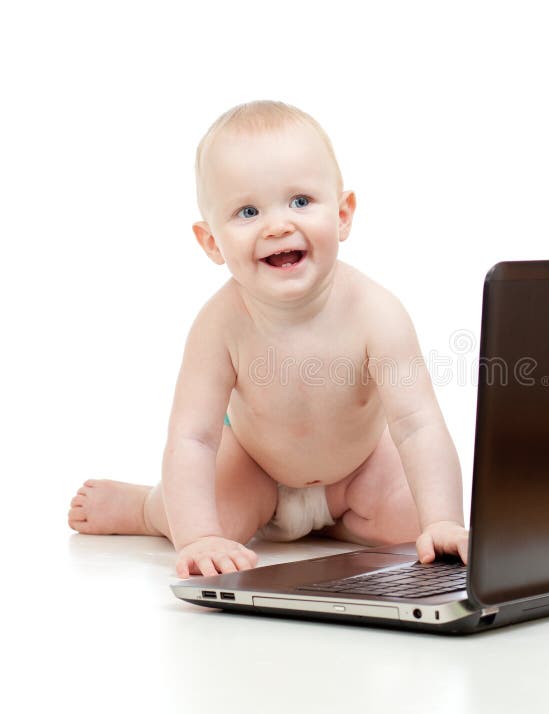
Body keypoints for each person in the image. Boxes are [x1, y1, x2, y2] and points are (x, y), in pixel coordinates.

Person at [68, 100, 469, 579]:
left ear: (343, 214)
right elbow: (194, 437)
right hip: (255, 468)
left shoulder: (377, 313)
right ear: (212, 242)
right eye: (248, 211)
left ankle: (335, 522)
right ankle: (147, 509)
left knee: (414, 523)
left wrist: (443, 521)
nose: (278, 225)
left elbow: (417, 424)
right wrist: (198, 537)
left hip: (355, 471)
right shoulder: (220, 324)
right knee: (208, 518)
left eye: (300, 201)